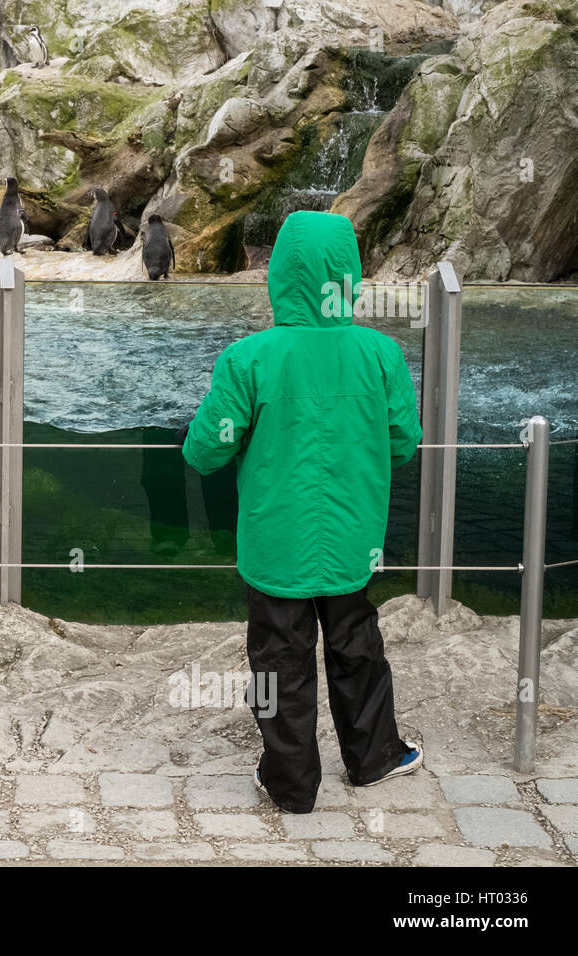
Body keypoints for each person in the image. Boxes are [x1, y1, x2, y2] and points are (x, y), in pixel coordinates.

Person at [180, 210, 423, 814]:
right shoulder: (381, 353)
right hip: (352, 537)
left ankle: (289, 783)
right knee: (358, 645)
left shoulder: (249, 358)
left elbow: (205, 451)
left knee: (277, 660)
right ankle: (374, 759)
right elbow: (403, 441)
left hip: (275, 540)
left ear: (279, 274)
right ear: (350, 275)